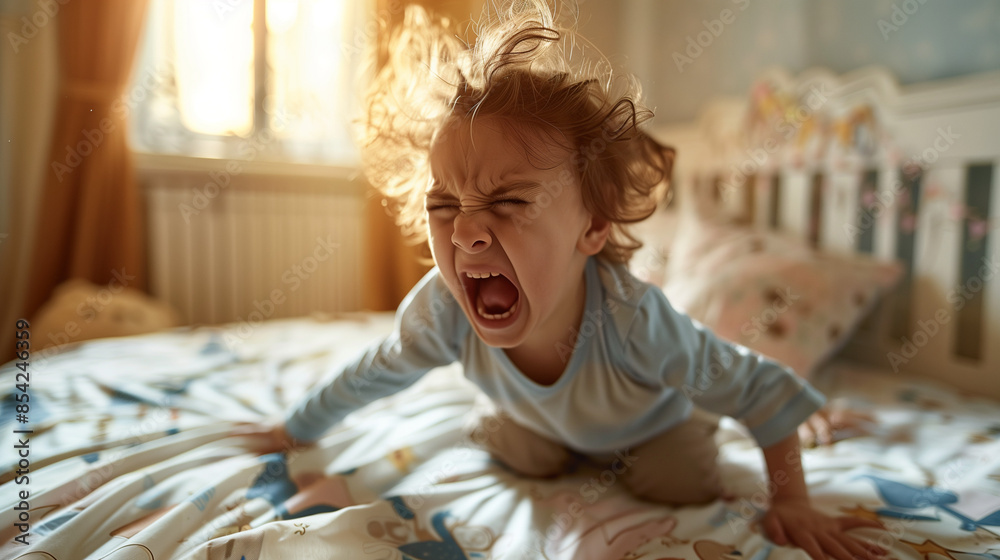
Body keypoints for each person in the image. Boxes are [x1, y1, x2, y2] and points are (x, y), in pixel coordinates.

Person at [246, 2, 886, 558]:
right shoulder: (444, 309)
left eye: (509, 202)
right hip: (542, 423)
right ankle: (527, 424)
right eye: (444, 205)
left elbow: (761, 392)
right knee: (521, 452)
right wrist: (295, 428)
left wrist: (792, 500)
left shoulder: (635, 321)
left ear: (593, 229)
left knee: (679, 483)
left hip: (654, 425)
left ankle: (659, 439)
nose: (466, 232)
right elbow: (379, 368)